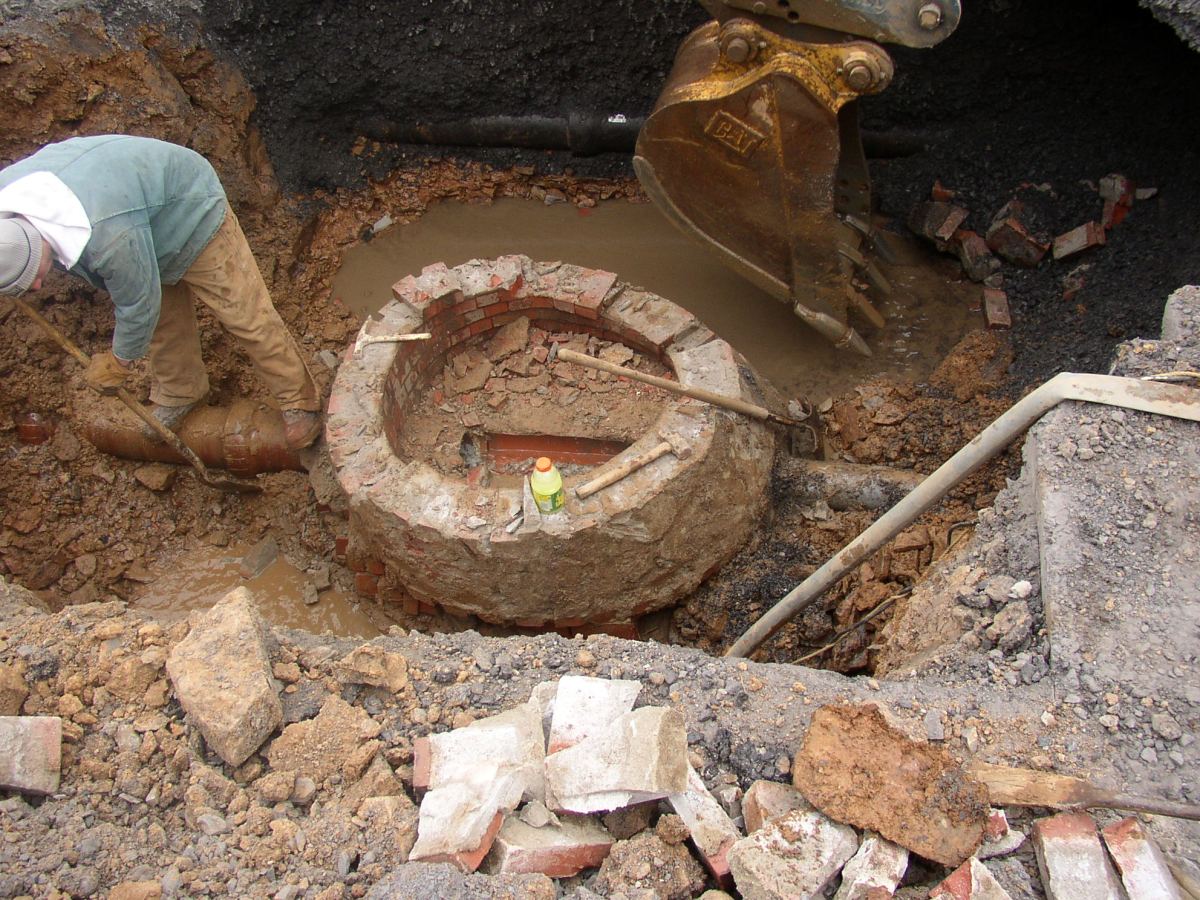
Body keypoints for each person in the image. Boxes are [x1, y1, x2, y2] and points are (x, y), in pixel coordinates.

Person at [0, 134, 322, 449]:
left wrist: (118, 362)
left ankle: (299, 401)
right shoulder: (7, 199)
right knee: (165, 325)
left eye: (37, 274)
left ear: (38, 239)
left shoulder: (110, 238)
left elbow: (139, 305)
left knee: (244, 313)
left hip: (188, 204)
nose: (39, 286)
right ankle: (182, 393)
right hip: (137, 211)